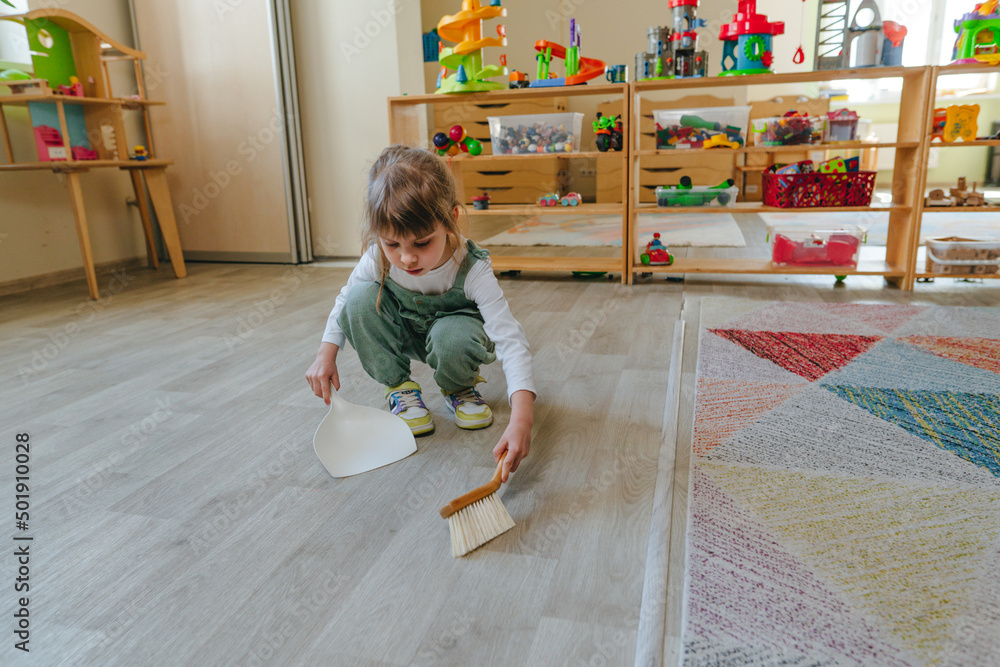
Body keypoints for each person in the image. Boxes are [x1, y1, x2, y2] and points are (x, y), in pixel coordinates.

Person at [305, 145, 535, 482]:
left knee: (451, 337)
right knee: (357, 299)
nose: (407, 259)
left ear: (451, 220)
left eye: (422, 243)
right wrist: (326, 353)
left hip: (455, 337)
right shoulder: (378, 258)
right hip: (406, 333)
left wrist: (522, 419)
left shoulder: (473, 269)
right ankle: (400, 388)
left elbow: (511, 341)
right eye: (392, 244)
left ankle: (458, 388)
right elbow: (343, 302)